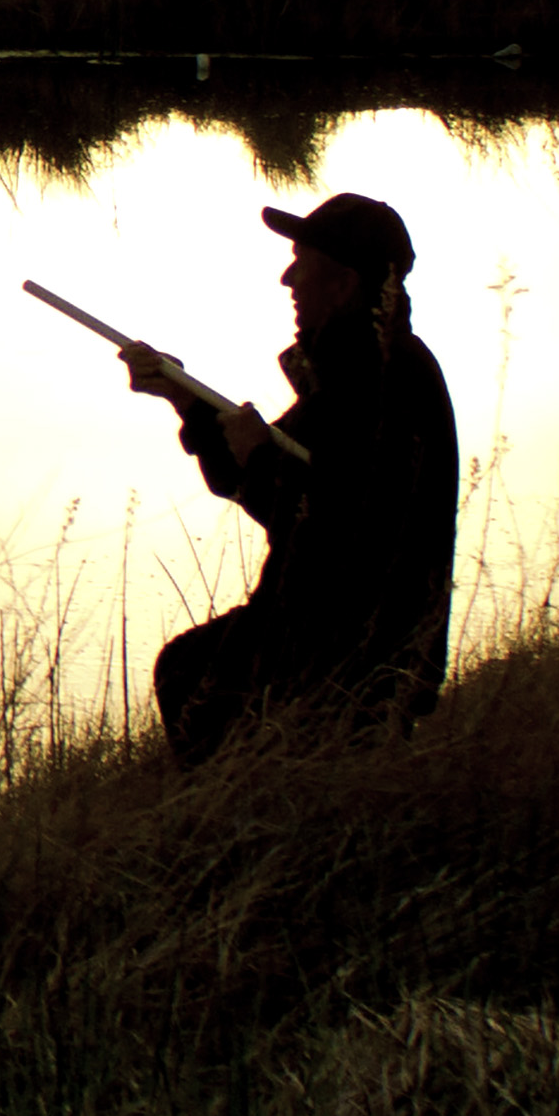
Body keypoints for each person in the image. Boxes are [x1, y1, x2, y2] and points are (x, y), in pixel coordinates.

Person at [120, 193, 458, 766]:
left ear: (344, 284)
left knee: (193, 676)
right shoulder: (362, 369)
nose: (287, 277)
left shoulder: (378, 382)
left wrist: (259, 460)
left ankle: (232, 832)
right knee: (194, 671)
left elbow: (334, 526)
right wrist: (188, 401)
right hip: (341, 638)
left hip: (343, 646)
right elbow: (252, 478)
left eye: (303, 262)